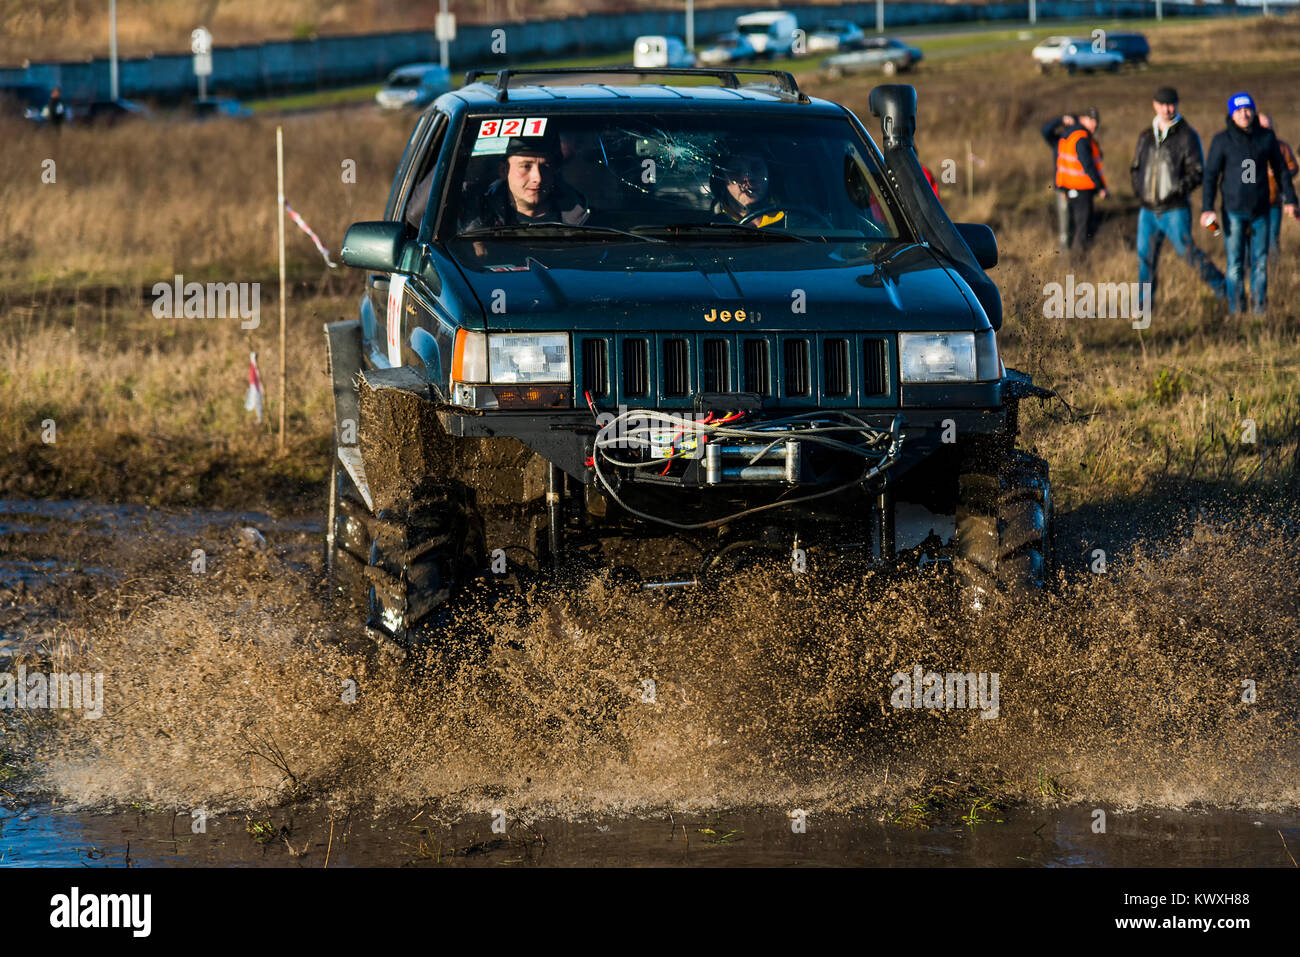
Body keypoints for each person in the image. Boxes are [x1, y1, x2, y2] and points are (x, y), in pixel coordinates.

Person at [1129, 86, 1225, 312]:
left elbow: (1198, 171)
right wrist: (1140, 192)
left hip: (1175, 209)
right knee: (1145, 260)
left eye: (1171, 104)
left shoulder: (1187, 136)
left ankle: (1222, 287)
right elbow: (1135, 167)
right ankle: (1143, 309)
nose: (1167, 109)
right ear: (1155, 105)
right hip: (1148, 211)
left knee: (1187, 252)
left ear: (1177, 105)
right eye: (1163, 104)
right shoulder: (1146, 136)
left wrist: (1175, 191)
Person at [1201, 92, 1299, 314]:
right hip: (1232, 211)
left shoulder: (1266, 138)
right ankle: (1237, 309)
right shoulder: (1222, 141)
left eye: (1248, 110)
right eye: (1239, 111)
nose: (1244, 115)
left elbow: (1282, 170)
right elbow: (1210, 176)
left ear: (1254, 111)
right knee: (1235, 263)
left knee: (1260, 263)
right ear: (1232, 114)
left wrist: (1290, 199)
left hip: (1261, 211)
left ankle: (1259, 310)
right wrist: (1207, 208)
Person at [460, 131, 589, 231]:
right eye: (526, 166)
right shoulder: (475, 218)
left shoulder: (587, 222)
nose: (537, 178)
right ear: (504, 170)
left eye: (545, 167)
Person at [1043, 108, 1108, 254]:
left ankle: (1070, 264)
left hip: (1069, 187)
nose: (1094, 125)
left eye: (1095, 122)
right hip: (1072, 188)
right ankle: (1072, 264)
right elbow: (1045, 131)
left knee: (1074, 228)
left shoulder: (1072, 139)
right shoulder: (1071, 139)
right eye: (1091, 121)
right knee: (1072, 229)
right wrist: (1060, 120)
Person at [1257, 113, 1298, 257]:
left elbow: (1291, 169)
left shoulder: (1281, 147)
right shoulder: (1249, 148)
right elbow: (1245, 177)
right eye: (1262, 126)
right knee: (1254, 239)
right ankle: (1250, 270)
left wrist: (1277, 173)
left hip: (1275, 200)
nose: (1266, 130)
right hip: (1255, 203)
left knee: (1273, 238)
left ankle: (1274, 272)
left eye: (1269, 126)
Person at [711, 149, 786, 227]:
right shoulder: (707, 224)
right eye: (736, 170)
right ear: (722, 180)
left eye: (756, 168)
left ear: (770, 174)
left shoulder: (792, 220)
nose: (748, 178)